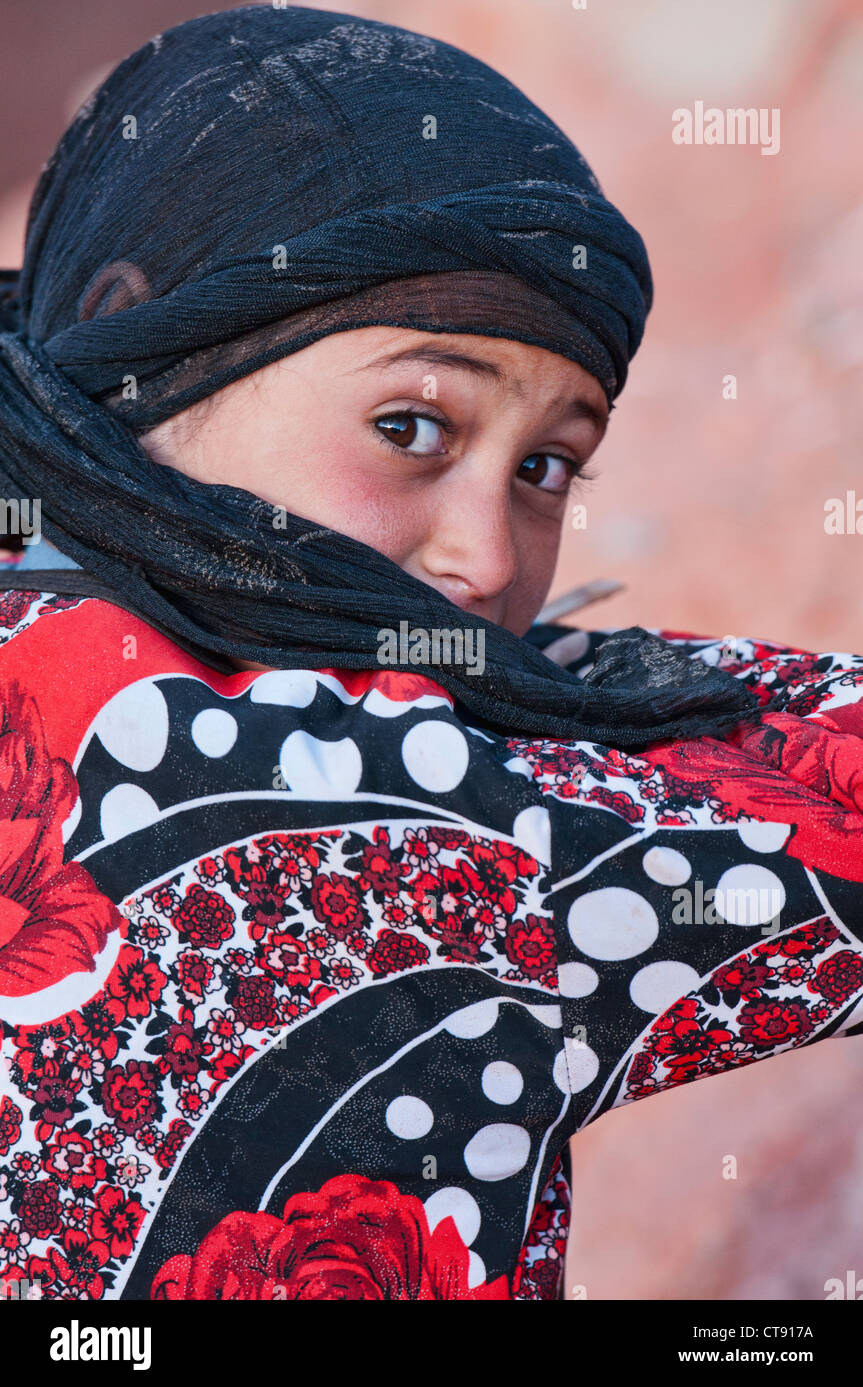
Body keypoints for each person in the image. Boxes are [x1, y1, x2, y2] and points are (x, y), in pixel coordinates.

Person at [0, 5, 861, 1303]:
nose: (482, 556)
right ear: (149, 365)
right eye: (412, 424)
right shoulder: (417, 803)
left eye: (546, 467)